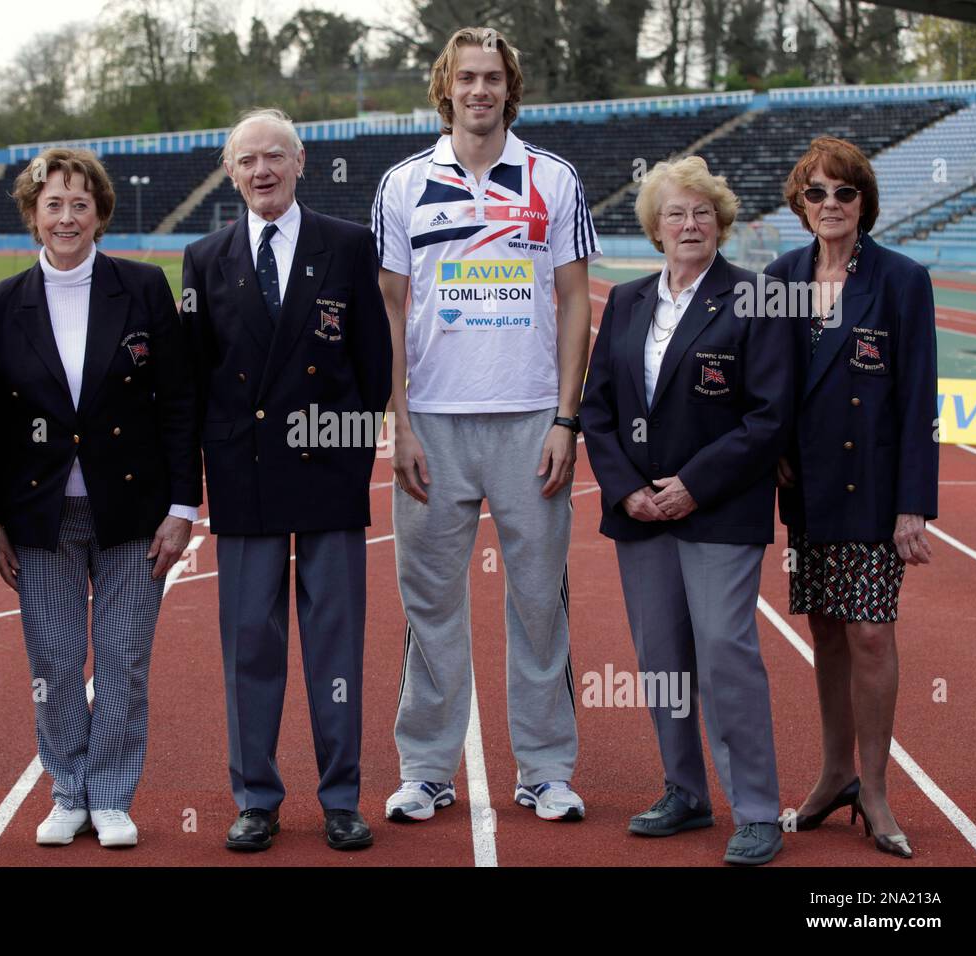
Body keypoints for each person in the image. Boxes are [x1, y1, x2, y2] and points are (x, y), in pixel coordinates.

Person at [372, 26, 596, 824]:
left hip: (532, 419)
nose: (479, 90)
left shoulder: (553, 177)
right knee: (430, 606)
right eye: (466, 77)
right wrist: (398, 419)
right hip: (434, 421)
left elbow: (576, 301)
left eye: (492, 78)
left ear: (510, 88)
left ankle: (545, 769)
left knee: (539, 602)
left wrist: (566, 418)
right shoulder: (402, 184)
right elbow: (389, 308)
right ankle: (427, 768)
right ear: (446, 87)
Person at [182, 108, 392, 852]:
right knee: (250, 648)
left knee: (335, 645)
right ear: (230, 170)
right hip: (246, 476)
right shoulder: (204, 259)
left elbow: (373, 367)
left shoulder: (347, 245)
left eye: (276, 156)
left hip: (328, 474)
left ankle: (341, 796)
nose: (262, 170)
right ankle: (257, 797)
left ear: (302, 161)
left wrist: (348, 454)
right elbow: (196, 380)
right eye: (248, 160)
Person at [0, 147, 201, 849]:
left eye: (80, 203)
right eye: (53, 204)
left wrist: (183, 508)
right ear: (32, 216)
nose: (67, 216)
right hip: (40, 516)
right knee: (53, 660)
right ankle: (66, 790)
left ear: (100, 212)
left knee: (123, 657)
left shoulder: (142, 287)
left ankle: (109, 793)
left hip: (133, 513)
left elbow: (178, 403)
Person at [580, 156, 794, 865]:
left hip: (719, 510)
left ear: (722, 223)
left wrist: (693, 484)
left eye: (703, 213)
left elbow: (768, 418)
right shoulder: (629, 300)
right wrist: (625, 488)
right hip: (641, 513)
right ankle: (686, 791)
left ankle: (757, 810)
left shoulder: (753, 298)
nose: (690, 224)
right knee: (661, 658)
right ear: (654, 227)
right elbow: (598, 407)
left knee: (727, 654)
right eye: (675, 213)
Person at [767, 136, 938, 859]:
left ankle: (874, 786)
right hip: (805, 491)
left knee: (870, 631)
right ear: (800, 204)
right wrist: (768, 447)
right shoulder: (779, 277)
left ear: (864, 202)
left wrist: (912, 505)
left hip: (871, 488)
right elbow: (765, 381)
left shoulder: (901, 279)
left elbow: (916, 396)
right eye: (818, 194)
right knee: (827, 630)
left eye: (845, 193)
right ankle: (835, 771)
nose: (831, 205)